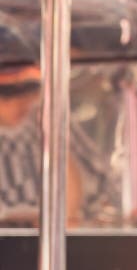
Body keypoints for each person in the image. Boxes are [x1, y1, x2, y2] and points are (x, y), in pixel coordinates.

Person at [0, 65, 83, 226]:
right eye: (7, 96)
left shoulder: (48, 122)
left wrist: (54, 139)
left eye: (27, 93)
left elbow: (70, 214)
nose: (20, 103)